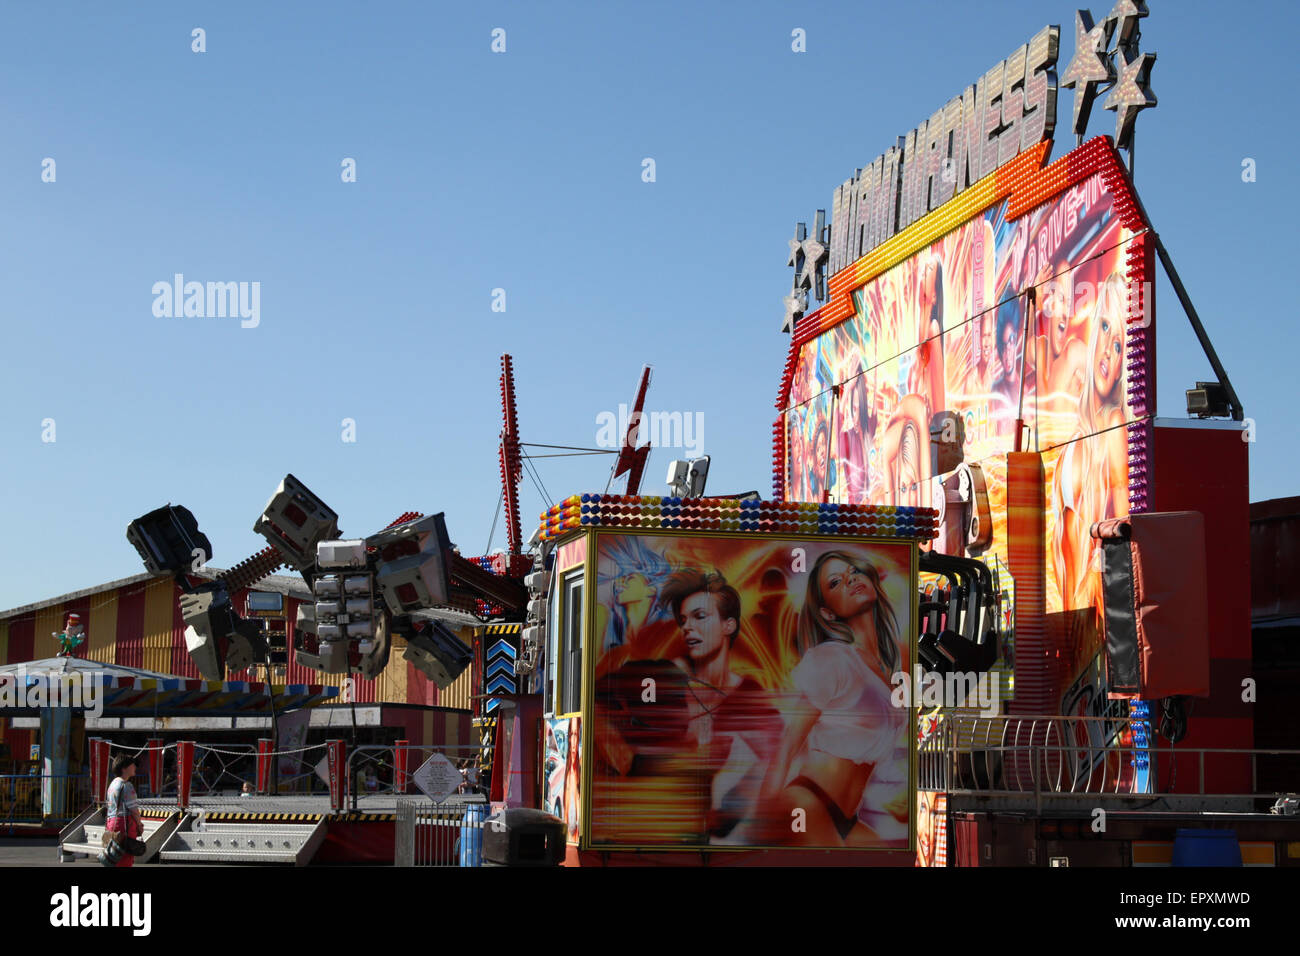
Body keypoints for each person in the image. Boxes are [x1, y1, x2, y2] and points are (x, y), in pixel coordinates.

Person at [759, 551, 908, 846]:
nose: (851, 579)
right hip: (807, 800)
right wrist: (762, 823)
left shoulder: (892, 665)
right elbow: (787, 746)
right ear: (828, 613)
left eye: (853, 572)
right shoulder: (834, 659)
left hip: (848, 819)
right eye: (836, 582)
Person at [1052, 271, 1128, 612]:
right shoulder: (1079, 432)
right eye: (1105, 327)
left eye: (1119, 346)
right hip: (1067, 608)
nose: (1108, 353)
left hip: (1091, 611)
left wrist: (1097, 574)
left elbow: (1125, 525)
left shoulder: (1114, 424)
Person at [104, 753, 143, 868]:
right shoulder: (126, 785)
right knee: (126, 857)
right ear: (124, 768)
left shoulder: (112, 784)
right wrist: (139, 824)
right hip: (125, 823)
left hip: (112, 822)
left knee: (115, 855)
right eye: (132, 765)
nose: (135, 767)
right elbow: (134, 810)